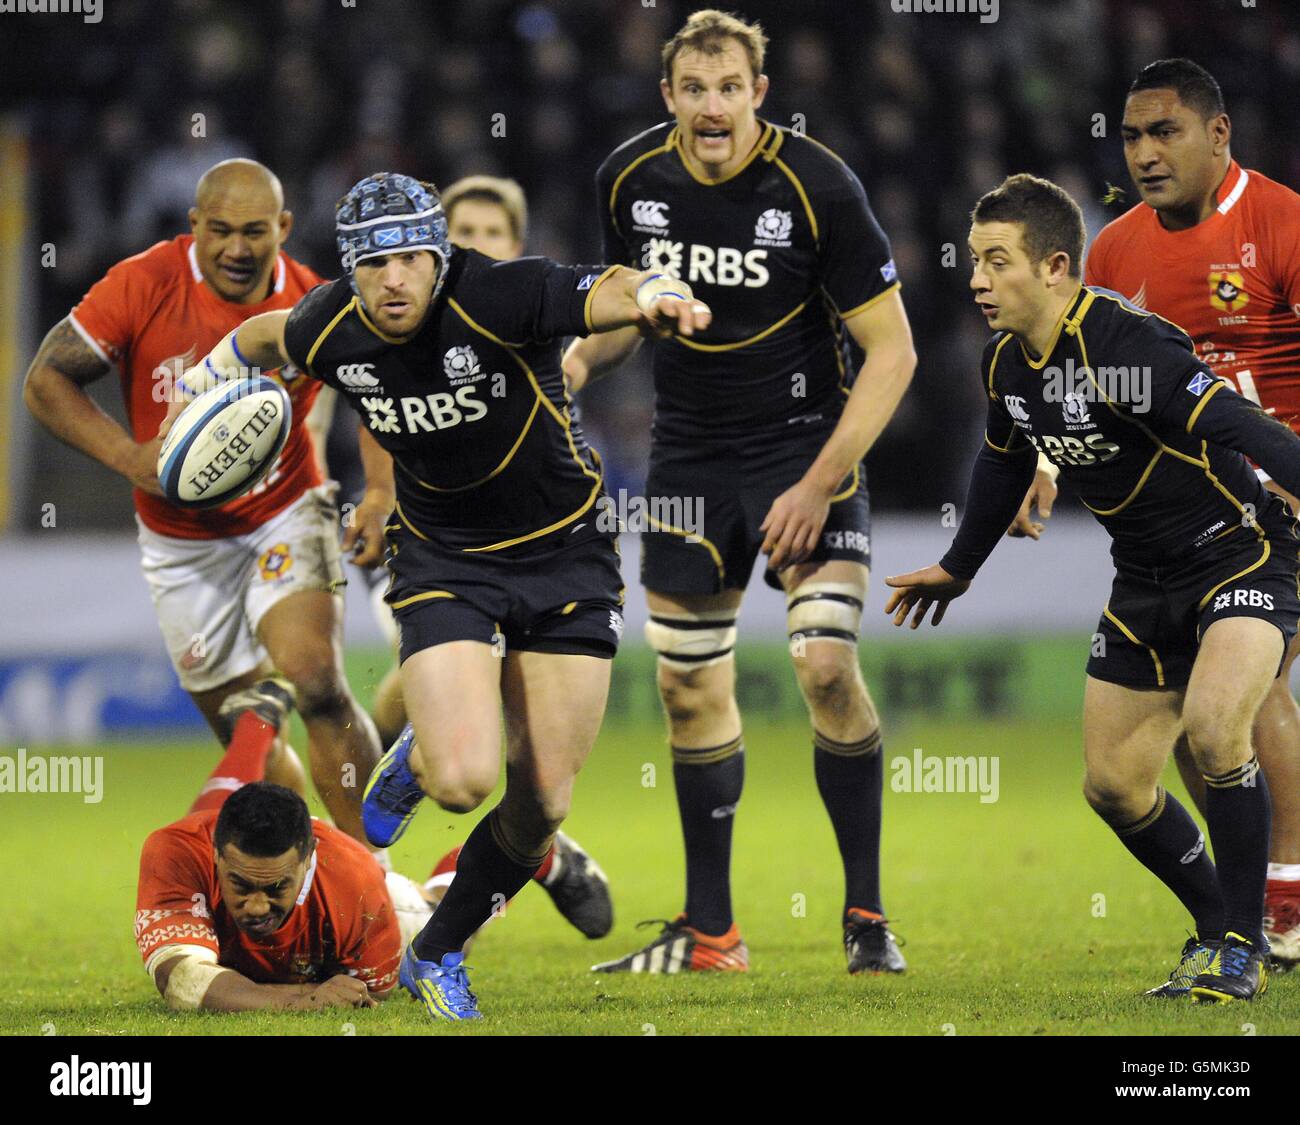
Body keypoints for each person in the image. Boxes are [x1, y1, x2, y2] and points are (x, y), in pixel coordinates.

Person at [175, 171, 712, 1020]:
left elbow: (601, 290)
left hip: (566, 554)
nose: (395, 279)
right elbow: (262, 336)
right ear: (349, 271)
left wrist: (656, 289)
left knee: (542, 801)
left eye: (412, 258)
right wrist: (202, 385)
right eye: (374, 263)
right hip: (445, 560)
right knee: (463, 780)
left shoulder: (499, 291)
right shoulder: (332, 327)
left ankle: (439, 945)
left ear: (441, 255)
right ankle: (425, 758)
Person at [886, 172, 1300, 1002]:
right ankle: (1225, 923)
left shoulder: (1126, 345)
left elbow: (1238, 425)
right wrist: (958, 566)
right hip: (1143, 580)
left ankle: (1241, 948)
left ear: (1055, 266)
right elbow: (1003, 456)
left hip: (1240, 552)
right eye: (974, 260)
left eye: (995, 260)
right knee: (1113, 784)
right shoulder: (1005, 360)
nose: (975, 278)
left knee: (1221, 729)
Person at [564, 9, 916, 975]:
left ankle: (866, 914)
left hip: (808, 449)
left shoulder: (819, 186)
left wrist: (816, 482)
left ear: (759, 94)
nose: (713, 108)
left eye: (731, 89)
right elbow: (626, 314)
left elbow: (893, 353)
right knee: (685, 689)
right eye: (695, 90)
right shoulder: (630, 181)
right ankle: (712, 932)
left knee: (823, 665)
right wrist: (568, 372)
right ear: (668, 95)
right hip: (687, 461)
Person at [23, 158, 381, 847]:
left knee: (317, 681)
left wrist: (382, 493)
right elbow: (46, 380)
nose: (237, 249)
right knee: (248, 729)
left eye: (254, 232)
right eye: (220, 231)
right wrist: (130, 458)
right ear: (194, 227)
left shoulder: (310, 301)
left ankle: (374, 870)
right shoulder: (144, 282)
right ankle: (307, 862)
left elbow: (380, 389)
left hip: (285, 509)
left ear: (283, 227)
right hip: (179, 544)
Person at [1075, 57, 1300, 964]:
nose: (1142, 153)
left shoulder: (1283, 223)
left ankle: (1279, 896)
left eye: (1163, 132)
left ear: (1218, 134)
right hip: (1190, 515)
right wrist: (1048, 473)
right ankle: (1256, 899)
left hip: (1282, 497)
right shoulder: (1113, 253)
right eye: (1130, 136)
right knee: (1187, 717)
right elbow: (1082, 387)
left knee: (1246, 695)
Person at [135, 686, 607, 1012]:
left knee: (447, 922)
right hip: (228, 848)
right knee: (203, 822)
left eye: (277, 887)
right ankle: (258, 728)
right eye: (240, 884)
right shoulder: (176, 851)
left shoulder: (353, 885)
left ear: (307, 861)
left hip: (379, 898)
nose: (256, 906)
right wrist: (303, 997)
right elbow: (184, 982)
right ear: (217, 857)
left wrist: (292, 989)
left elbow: (365, 992)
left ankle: (530, 852)